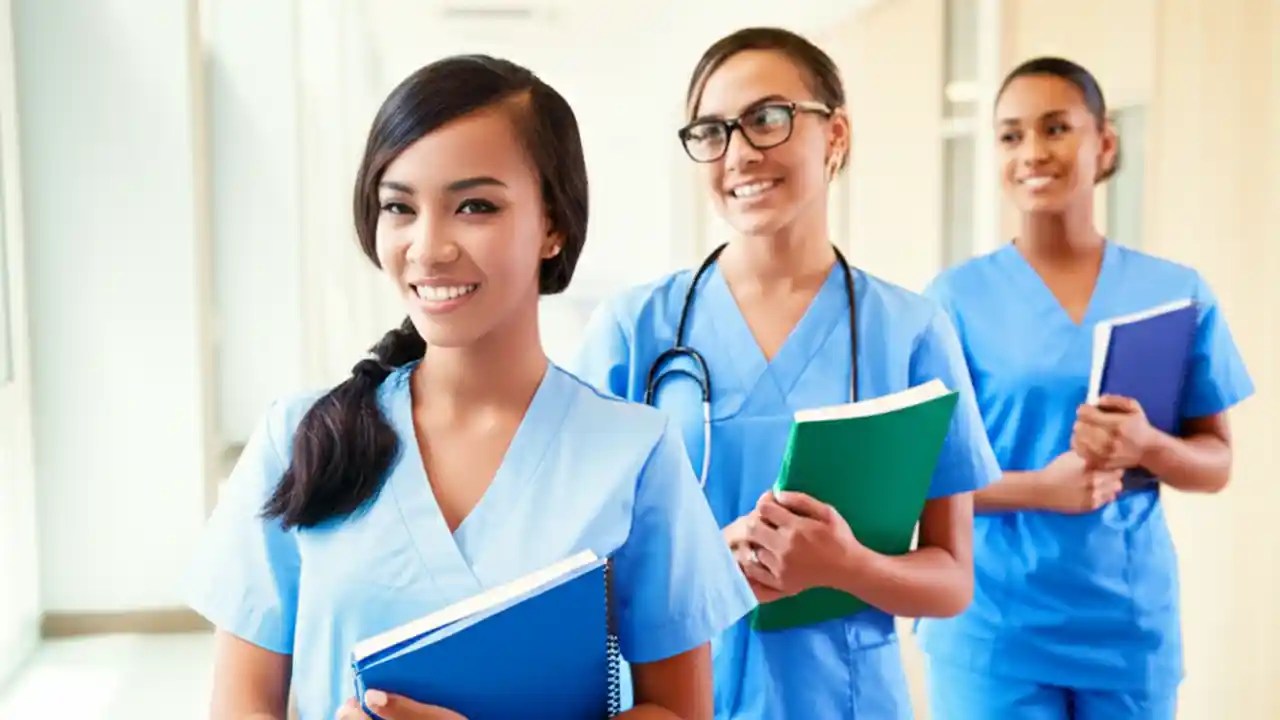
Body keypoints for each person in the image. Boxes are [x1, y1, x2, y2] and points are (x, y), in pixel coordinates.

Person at [184, 55, 757, 720]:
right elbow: (240, 704)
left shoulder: (634, 454)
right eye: (398, 206)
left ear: (554, 225)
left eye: (474, 206)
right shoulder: (298, 438)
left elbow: (682, 712)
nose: (428, 247)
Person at [571, 28, 999, 720]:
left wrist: (845, 566)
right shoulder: (636, 330)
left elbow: (951, 581)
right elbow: (569, 563)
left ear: (835, 136)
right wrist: (706, 564)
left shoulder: (913, 334)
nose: (740, 153)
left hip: (845, 701)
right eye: (712, 131)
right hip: (676, 702)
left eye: (768, 119)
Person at [915, 56, 1256, 720]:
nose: (1033, 152)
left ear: (1104, 142)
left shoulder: (1174, 293)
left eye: (1056, 128)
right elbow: (921, 479)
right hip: (993, 631)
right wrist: (1040, 489)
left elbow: (1215, 464)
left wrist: (1149, 445)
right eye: (1011, 135)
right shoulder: (952, 301)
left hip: (1128, 629)